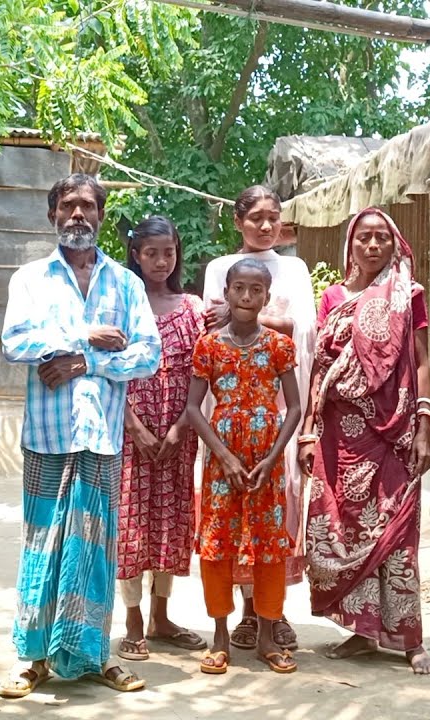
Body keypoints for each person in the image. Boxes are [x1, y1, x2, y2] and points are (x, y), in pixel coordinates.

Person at [0, 174, 162, 698]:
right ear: (52, 214)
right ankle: (33, 659)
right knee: (42, 546)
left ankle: (93, 656)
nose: (77, 215)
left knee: (94, 551)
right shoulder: (30, 279)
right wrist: (85, 336)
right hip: (48, 438)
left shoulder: (126, 284)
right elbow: (16, 342)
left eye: (88, 206)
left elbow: (148, 354)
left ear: (101, 216)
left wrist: (82, 363)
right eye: (68, 205)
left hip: (101, 439)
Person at [298, 207, 430, 675]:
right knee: (346, 527)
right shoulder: (333, 297)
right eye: (364, 237)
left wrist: (424, 424)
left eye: (382, 237)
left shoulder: (408, 294)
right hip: (339, 432)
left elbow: (420, 360)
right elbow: (321, 365)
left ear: (395, 244)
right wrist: (308, 431)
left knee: (397, 531)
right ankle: (362, 632)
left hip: (395, 429)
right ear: (351, 245)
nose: (373, 245)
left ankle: (409, 639)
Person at [201, 185, 315, 652]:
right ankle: (245, 612)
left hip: (277, 408)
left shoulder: (295, 268)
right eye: (256, 217)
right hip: (228, 412)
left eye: (274, 216)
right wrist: (262, 321)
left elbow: (305, 330)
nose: (266, 226)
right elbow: (212, 327)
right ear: (238, 221)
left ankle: (273, 613)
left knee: (275, 510)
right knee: (230, 514)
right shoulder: (219, 267)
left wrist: (251, 319)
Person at [187, 258, 303, 675]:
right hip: (222, 461)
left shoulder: (279, 346)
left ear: (266, 297)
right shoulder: (209, 345)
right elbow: (194, 408)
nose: (247, 297)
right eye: (239, 288)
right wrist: (224, 456)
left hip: (267, 460)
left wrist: (273, 458)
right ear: (227, 293)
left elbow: (295, 407)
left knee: (269, 544)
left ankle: (267, 636)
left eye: (256, 290)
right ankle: (220, 637)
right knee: (217, 542)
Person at [114, 216, 209, 661]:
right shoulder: (121, 306)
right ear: (136, 255)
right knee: (131, 525)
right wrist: (134, 427)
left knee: (171, 523)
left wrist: (181, 426)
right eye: (151, 253)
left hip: (179, 433)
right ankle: (133, 620)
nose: (160, 261)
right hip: (130, 434)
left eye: (168, 252)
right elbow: (109, 374)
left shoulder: (192, 308)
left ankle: (161, 617)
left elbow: (203, 373)